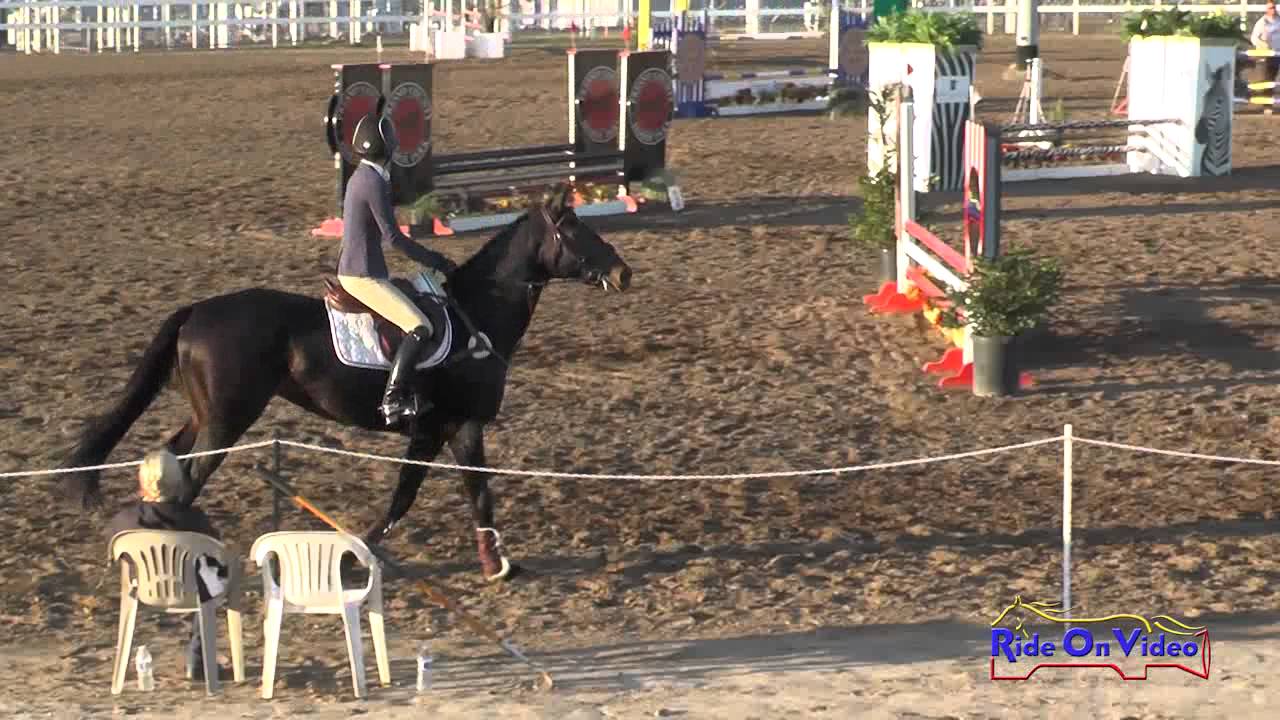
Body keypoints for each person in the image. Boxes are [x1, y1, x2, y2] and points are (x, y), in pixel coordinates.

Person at [338, 112, 457, 426]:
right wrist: (435, 260)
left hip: (361, 268)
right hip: (361, 276)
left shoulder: (365, 175)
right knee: (420, 326)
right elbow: (393, 239)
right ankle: (392, 399)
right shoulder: (372, 180)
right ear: (389, 147)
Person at [106, 449, 230, 682]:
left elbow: (116, 556)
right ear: (179, 482)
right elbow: (215, 554)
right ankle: (198, 657)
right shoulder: (196, 520)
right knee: (213, 581)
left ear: (142, 480)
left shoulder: (125, 520)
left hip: (144, 591)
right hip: (191, 593)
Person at [1251, 1, 1280, 88]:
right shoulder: (1261, 23)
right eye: (1270, 8)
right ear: (1266, 10)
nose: (1273, 10)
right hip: (1266, 55)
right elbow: (1254, 38)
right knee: (1266, 77)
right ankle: (1264, 96)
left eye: (1274, 7)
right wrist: (1263, 45)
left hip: (1278, 53)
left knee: (1272, 76)